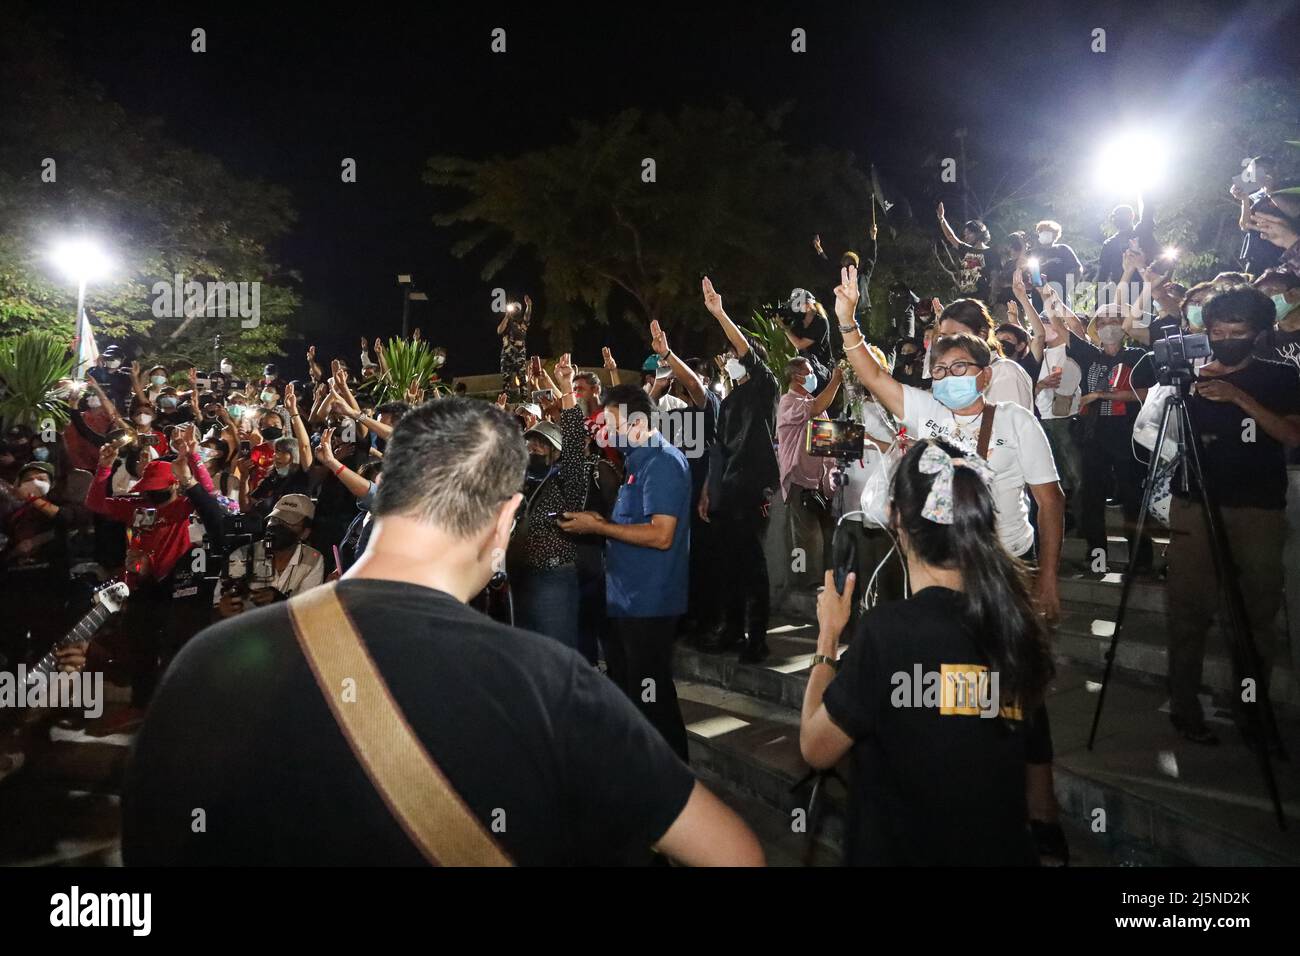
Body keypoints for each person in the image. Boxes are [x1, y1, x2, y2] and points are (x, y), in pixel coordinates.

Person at [122, 398, 761, 866]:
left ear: (385, 490)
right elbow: (734, 855)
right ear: (507, 517)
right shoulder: (548, 684)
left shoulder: (206, 663)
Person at [799, 438, 1054, 865]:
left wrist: (827, 639)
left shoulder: (887, 635)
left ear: (895, 517)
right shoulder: (1017, 629)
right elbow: (1041, 800)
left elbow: (815, 747)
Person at [1149, 286, 1300, 746]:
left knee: (1255, 613)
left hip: (1257, 508)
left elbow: (1292, 435)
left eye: (1238, 332)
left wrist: (1239, 398)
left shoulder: (1280, 375)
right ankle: (1184, 704)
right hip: (1193, 503)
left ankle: (1250, 707)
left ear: (1257, 333)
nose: (1227, 339)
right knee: (1187, 609)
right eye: (1218, 331)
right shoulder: (1185, 376)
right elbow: (1155, 433)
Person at [559, 384, 693, 761]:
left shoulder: (663, 462)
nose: (606, 431)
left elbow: (661, 535)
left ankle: (675, 784)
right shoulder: (636, 462)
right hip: (626, 599)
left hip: (650, 602)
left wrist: (599, 528)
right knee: (634, 697)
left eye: (612, 422)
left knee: (654, 701)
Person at [85, 427, 225, 710]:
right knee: (140, 648)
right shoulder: (137, 504)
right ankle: (142, 706)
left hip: (177, 582)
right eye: (148, 489)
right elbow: (96, 503)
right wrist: (103, 470)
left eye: (158, 490)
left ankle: (176, 706)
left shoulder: (184, 505)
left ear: (174, 485)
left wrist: (192, 459)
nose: (151, 495)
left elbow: (208, 494)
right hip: (141, 583)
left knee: (176, 646)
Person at [697, 277, 781, 661]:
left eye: (734, 352)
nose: (728, 357)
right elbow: (719, 448)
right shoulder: (729, 400)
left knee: (752, 562)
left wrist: (719, 313)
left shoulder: (765, 386)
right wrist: (708, 491)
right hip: (727, 490)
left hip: (754, 488)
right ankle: (731, 629)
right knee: (727, 563)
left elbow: (748, 353)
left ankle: (757, 638)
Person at [1060, 302, 1153, 575]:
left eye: (1114, 320)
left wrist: (1103, 395)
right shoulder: (1090, 355)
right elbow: (1060, 326)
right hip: (1093, 435)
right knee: (1091, 499)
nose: (1106, 325)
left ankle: (1142, 559)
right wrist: (1045, 295)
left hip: (1129, 435)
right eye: (1101, 322)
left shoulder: (1140, 356)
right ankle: (1096, 556)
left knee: (1132, 498)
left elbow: (1148, 392)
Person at [507, 355, 590, 650]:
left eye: (543, 443)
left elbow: (575, 444)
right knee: (526, 658)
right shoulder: (518, 482)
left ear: (557, 451)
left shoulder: (567, 481)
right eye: (531, 441)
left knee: (555, 656)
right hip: (519, 578)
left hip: (552, 580)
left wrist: (566, 388)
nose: (535, 446)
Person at [777, 357, 844, 589]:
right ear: (796, 376)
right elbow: (816, 409)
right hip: (800, 482)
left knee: (826, 538)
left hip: (822, 484)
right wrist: (836, 380)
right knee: (806, 540)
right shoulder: (788, 402)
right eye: (809, 371)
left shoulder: (813, 402)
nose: (813, 375)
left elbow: (828, 441)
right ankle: (803, 588)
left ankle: (825, 584)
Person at [215, 494, 325, 618]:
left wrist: (280, 602)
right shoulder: (242, 555)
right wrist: (223, 609)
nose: (277, 527)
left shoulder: (313, 560)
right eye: (275, 520)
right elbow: (217, 607)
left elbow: (308, 613)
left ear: (305, 533)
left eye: (288, 523)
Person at [931, 298, 1035, 410]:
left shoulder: (1005, 372)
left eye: (957, 336)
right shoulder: (948, 373)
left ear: (982, 334)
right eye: (944, 336)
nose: (949, 343)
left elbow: (1013, 425)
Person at [936, 202, 997, 301]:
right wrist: (942, 219)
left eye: (969, 233)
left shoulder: (990, 253)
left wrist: (993, 295)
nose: (966, 236)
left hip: (981, 298)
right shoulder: (966, 249)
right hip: (964, 297)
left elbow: (995, 275)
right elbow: (950, 237)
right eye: (965, 234)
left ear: (978, 233)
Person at [1096, 201, 1157, 286]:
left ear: (1132, 216)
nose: (1119, 218)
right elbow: (1102, 274)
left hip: (1145, 292)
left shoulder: (1142, 233)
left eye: (1122, 215)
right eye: (1116, 216)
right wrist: (1099, 297)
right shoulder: (1109, 244)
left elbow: (1148, 210)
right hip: (1121, 294)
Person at [1033, 219, 1082, 293]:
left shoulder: (1063, 249)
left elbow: (1077, 268)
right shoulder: (1034, 252)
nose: (1042, 234)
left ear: (1054, 235)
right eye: (1040, 232)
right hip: (1038, 294)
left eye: (1045, 232)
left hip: (1059, 293)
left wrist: (1069, 287)